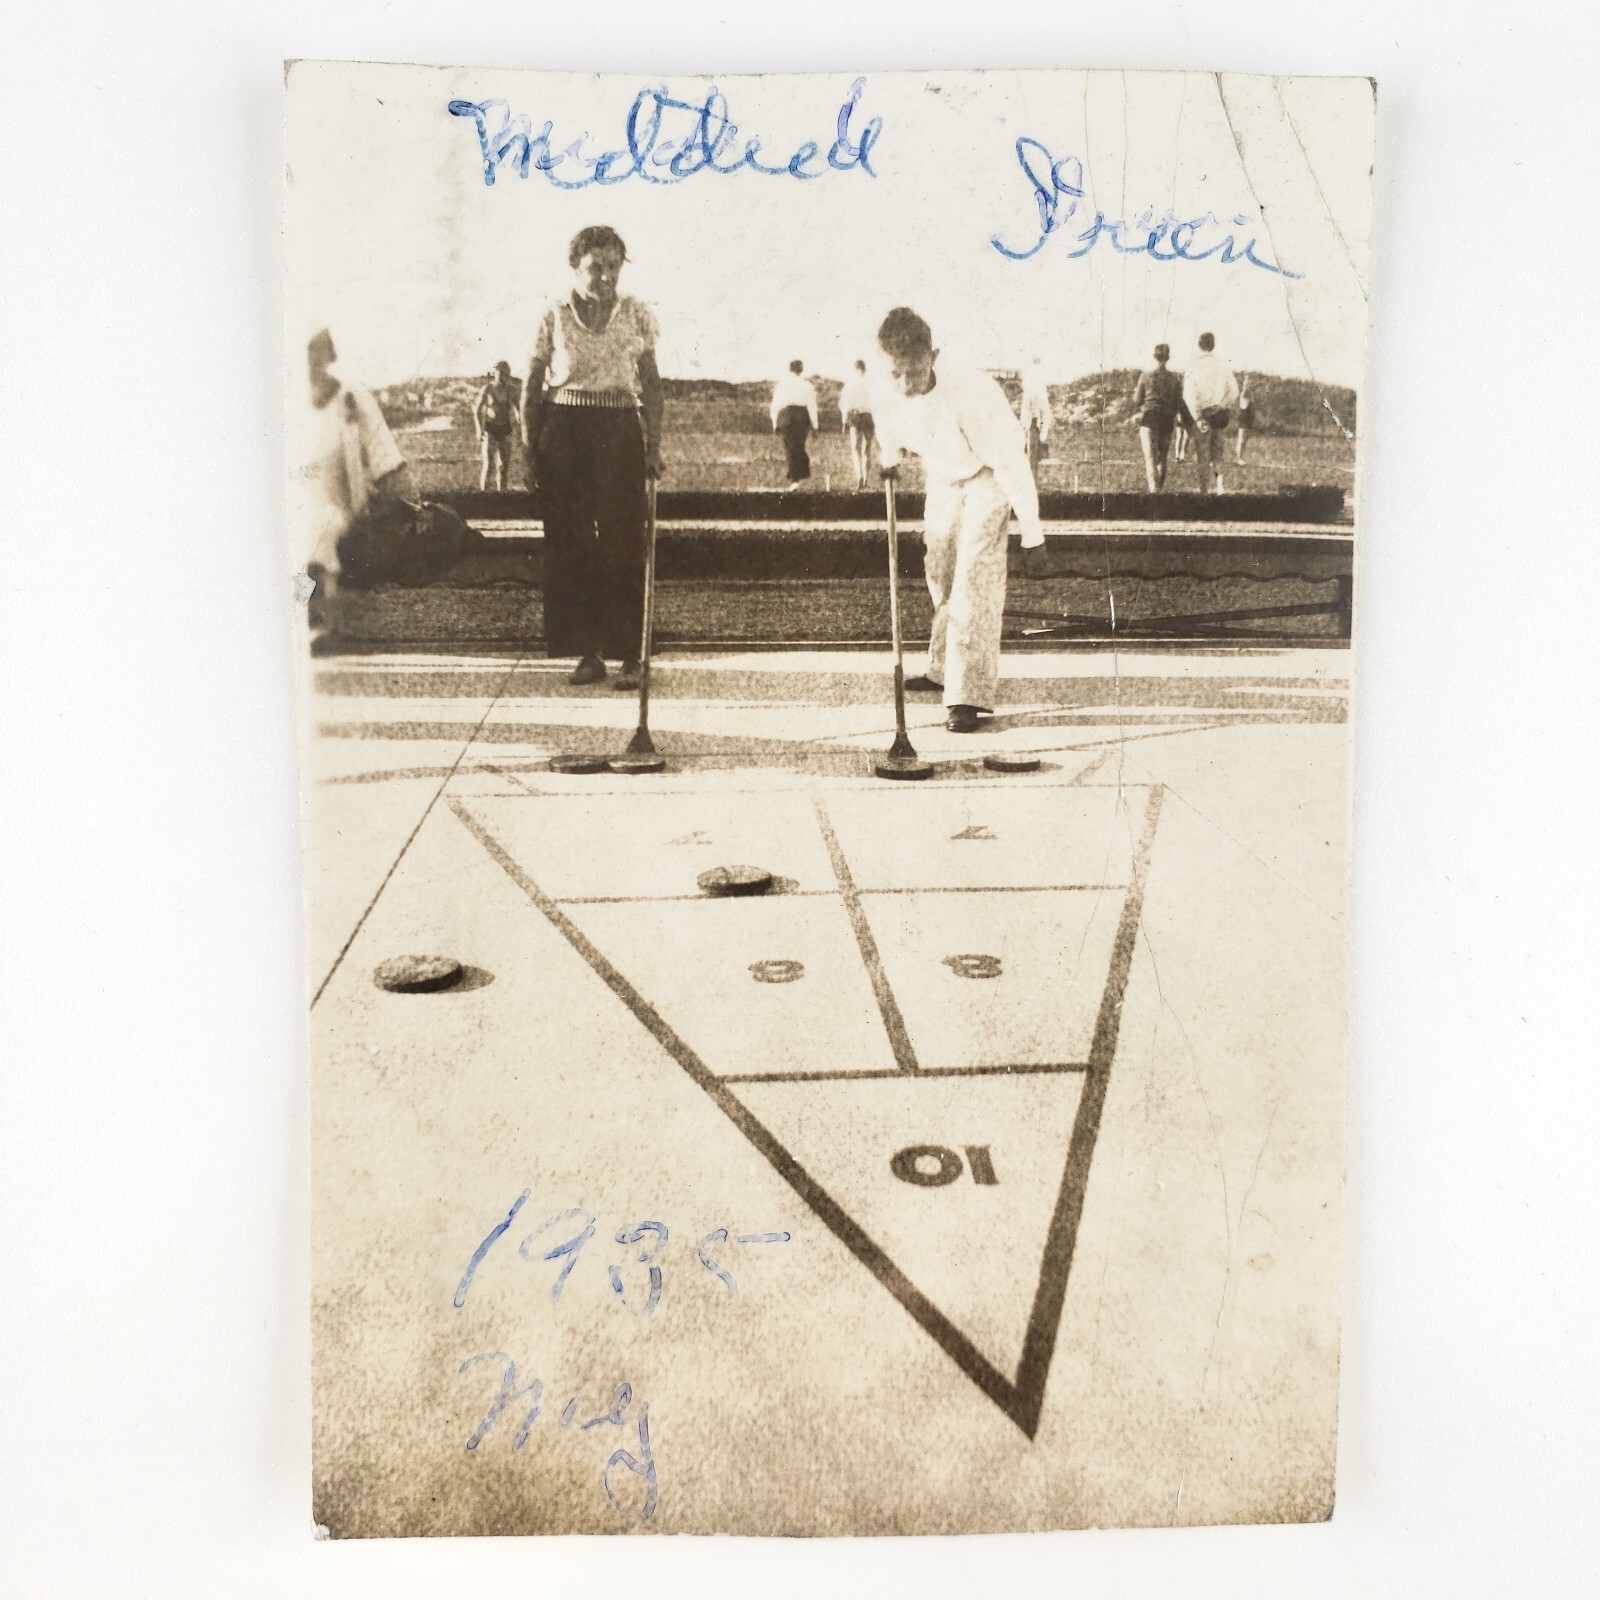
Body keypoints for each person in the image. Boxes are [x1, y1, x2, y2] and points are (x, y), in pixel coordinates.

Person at [872, 307, 1047, 735]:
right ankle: (940, 670)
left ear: (933, 355)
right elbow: (887, 429)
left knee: (973, 582)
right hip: (944, 477)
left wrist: (1032, 533)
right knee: (942, 573)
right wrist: (889, 459)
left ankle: (966, 694)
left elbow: (1010, 463)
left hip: (989, 477)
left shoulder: (970, 393)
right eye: (897, 373)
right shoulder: (885, 389)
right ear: (885, 364)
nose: (906, 385)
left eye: (915, 372)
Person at [523, 224, 663, 690]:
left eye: (613, 267)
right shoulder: (554, 315)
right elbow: (531, 386)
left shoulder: (637, 313)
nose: (605, 277)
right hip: (563, 431)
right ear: (575, 267)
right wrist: (529, 452)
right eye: (595, 268)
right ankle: (587, 653)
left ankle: (631, 657)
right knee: (571, 542)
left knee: (625, 540)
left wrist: (653, 447)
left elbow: (653, 387)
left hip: (620, 430)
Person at [293, 326, 408, 625]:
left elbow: (388, 464)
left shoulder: (351, 399)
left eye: (315, 350)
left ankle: (317, 613)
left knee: (320, 528)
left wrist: (399, 508)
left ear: (328, 354)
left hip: (341, 516)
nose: (309, 361)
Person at [1181, 331, 1242, 494]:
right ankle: (1220, 487)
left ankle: (1204, 490)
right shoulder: (1223, 365)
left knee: (1203, 454)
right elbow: (1235, 391)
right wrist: (1223, 405)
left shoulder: (1193, 365)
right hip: (1219, 414)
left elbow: (1188, 394)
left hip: (1203, 414)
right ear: (1213, 345)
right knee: (1218, 453)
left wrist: (1197, 416)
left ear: (1199, 346)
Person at [1128, 343, 1193, 492]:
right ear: (1168, 358)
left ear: (1154, 357)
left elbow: (1138, 401)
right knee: (1162, 459)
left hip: (1150, 419)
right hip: (1166, 420)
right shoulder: (1174, 379)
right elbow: (1178, 402)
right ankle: (1160, 493)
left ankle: (1154, 494)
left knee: (1150, 460)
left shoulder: (1145, 377)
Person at [770, 359, 819, 490]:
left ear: (790, 369)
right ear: (801, 369)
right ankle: (797, 475)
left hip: (787, 416)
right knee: (798, 446)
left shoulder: (782, 385)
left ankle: (795, 478)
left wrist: (774, 422)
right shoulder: (808, 385)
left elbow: (775, 405)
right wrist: (815, 426)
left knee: (790, 447)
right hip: (802, 417)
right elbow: (812, 406)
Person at [474, 361, 520, 490]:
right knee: (489, 466)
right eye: (500, 374)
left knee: (504, 466)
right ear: (495, 373)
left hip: (506, 429)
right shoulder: (488, 389)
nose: (503, 377)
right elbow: (477, 410)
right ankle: (484, 496)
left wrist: (519, 417)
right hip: (491, 428)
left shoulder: (511, 391)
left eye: (506, 374)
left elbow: (519, 409)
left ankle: (502, 495)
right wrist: (479, 429)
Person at [838, 359, 876, 491]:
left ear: (855, 369)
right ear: (864, 369)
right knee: (867, 449)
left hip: (855, 416)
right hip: (869, 416)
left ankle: (859, 475)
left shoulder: (850, 384)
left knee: (855, 448)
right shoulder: (871, 383)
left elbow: (845, 404)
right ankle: (865, 478)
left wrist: (844, 422)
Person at [1020, 358, 1053, 485]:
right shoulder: (1027, 392)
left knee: (1033, 457)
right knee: (1025, 456)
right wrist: (1023, 428)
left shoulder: (1041, 393)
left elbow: (1046, 413)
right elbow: (1024, 412)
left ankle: (1032, 481)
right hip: (1027, 428)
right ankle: (1026, 482)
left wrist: (1044, 431)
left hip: (1035, 428)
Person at [1234, 373, 1253, 464]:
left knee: (1245, 439)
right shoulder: (1245, 393)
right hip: (1243, 418)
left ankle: (1240, 457)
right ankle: (1238, 458)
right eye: (1247, 383)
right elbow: (1245, 405)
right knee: (1241, 439)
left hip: (1248, 418)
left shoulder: (1249, 393)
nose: (1249, 385)